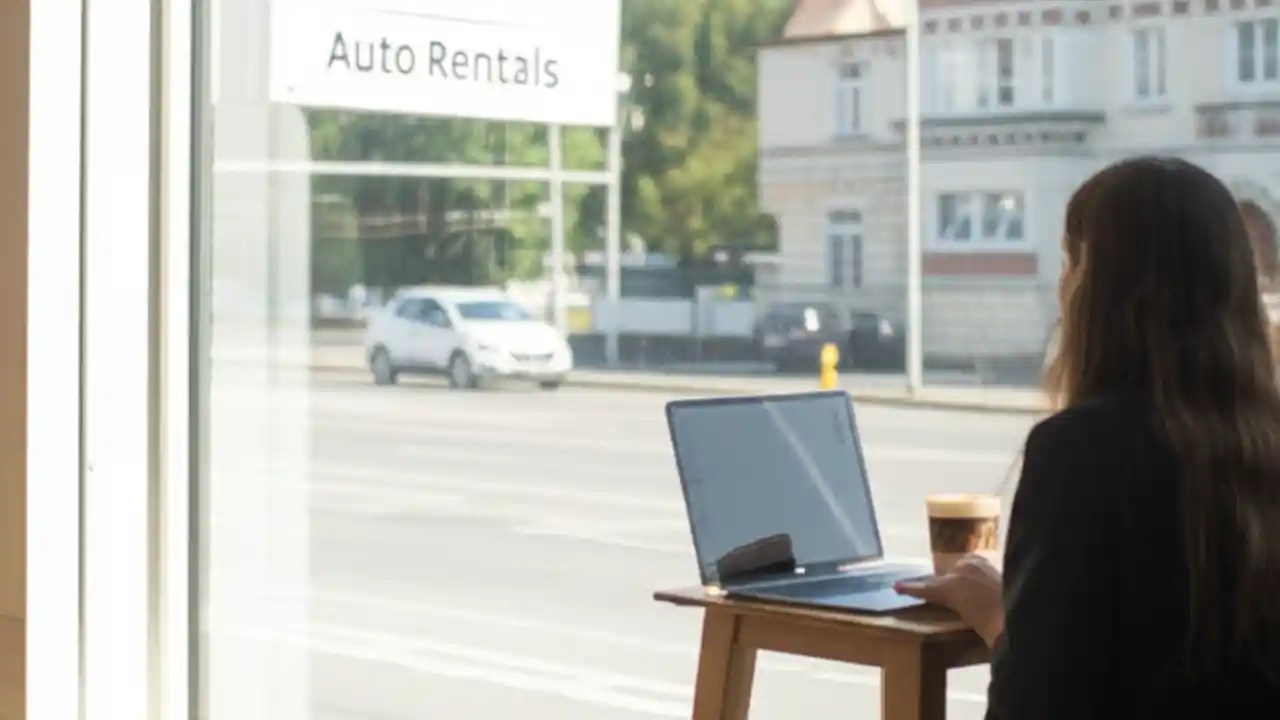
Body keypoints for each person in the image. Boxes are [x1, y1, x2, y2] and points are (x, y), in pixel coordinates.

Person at [895, 157, 1280, 717]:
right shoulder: (1263, 448)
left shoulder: (1080, 454)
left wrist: (1001, 621)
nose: (1061, 286)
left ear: (1099, 293)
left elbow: (1038, 704)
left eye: (1070, 262)